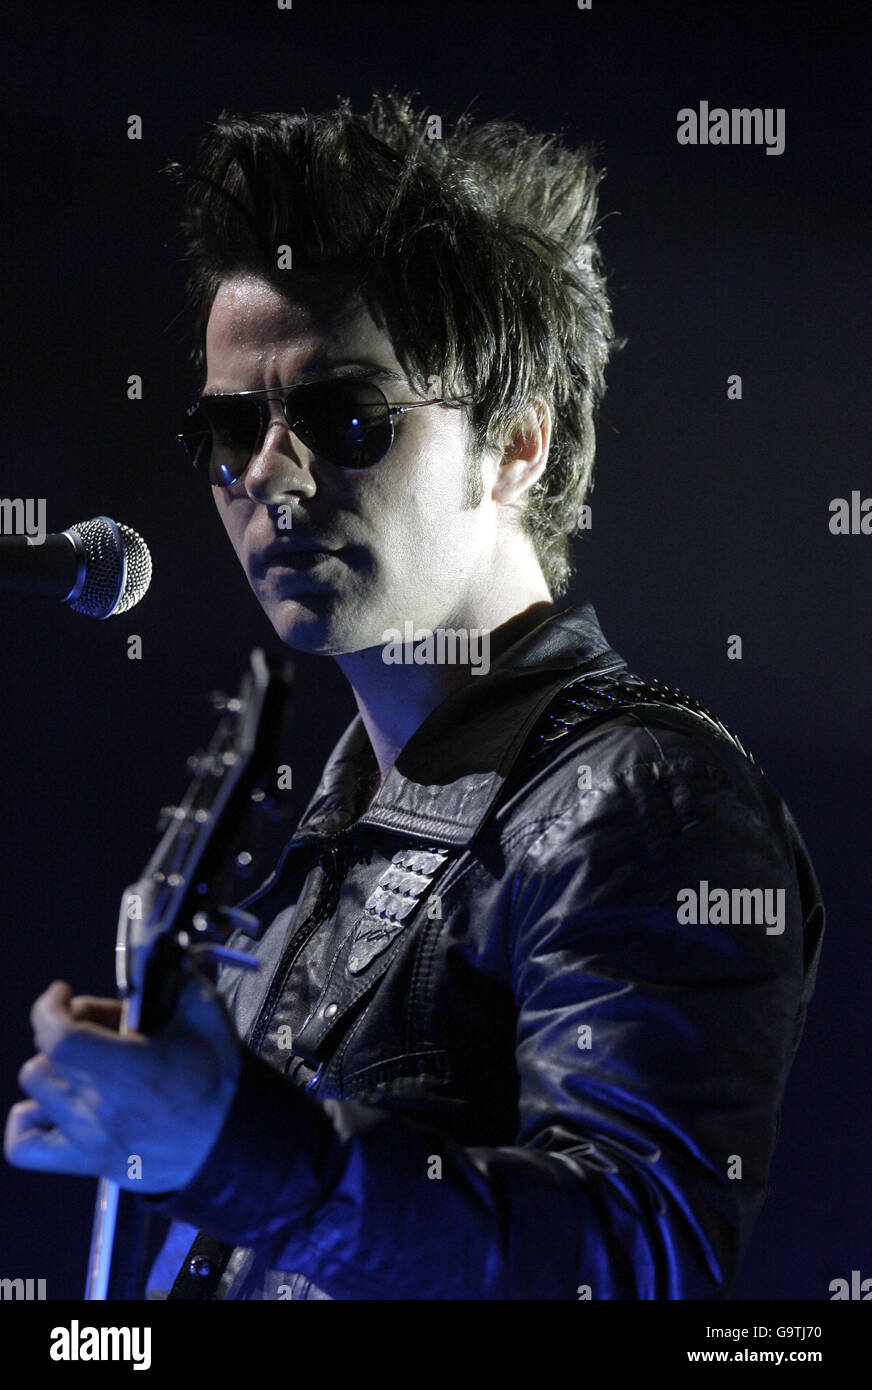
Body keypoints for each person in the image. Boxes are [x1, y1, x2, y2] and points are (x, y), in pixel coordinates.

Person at [5, 91, 824, 1300]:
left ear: (517, 443)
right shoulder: (320, 844)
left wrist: (229, 1147)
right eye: (232, 426)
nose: (268, 476)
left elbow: (639, 1263)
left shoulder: (638, 793)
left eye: (343, 415)